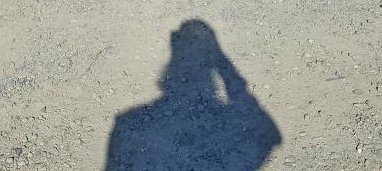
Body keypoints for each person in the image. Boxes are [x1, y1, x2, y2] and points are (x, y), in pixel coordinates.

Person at [106, 19, 281, 170]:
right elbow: (268, 136)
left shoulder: (130, 122)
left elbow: (269, 136)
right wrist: (223, 64)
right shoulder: (128, 122)